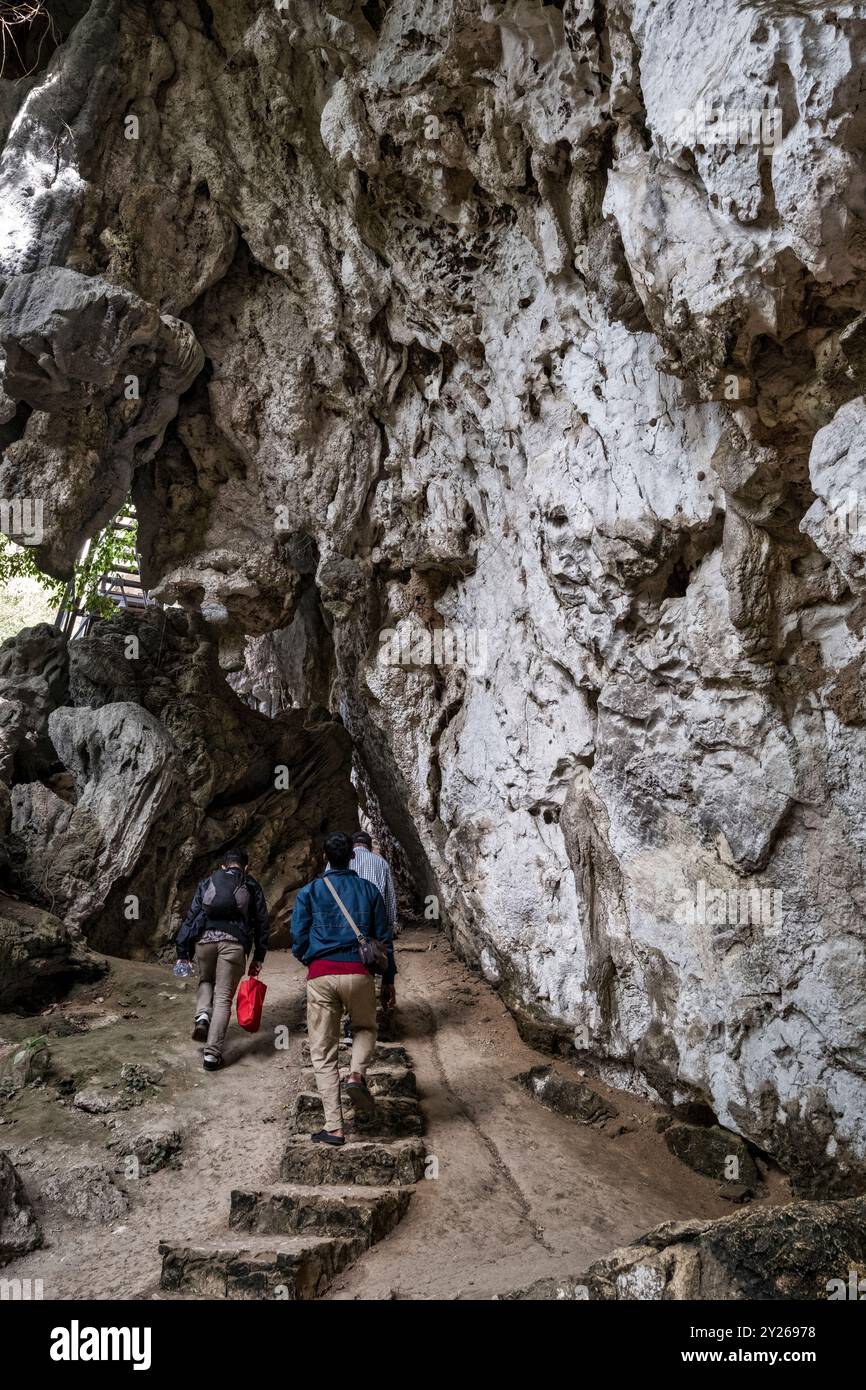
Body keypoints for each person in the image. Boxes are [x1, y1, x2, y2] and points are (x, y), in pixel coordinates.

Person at [291, 831, 396, 1145]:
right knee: (365, 1027)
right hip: (359, 973)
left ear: (325, 857)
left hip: (321, 976)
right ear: (352, 856)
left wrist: (312, 959)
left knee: (323, 1052)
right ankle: (356, 1074)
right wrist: (388, 979)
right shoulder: (369, 890)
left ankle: (334, 1128)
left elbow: (298, 937)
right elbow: (384, 939)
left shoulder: (310, 891)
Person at [175, 847, 269, 1072]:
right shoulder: (251, 884)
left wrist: (182, 950)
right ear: (246, 868)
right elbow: (262, 923)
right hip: (234, 944)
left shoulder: (208, 882)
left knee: (206, 980)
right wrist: (259, 955)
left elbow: (193, 915)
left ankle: (202, 1016)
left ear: (223, 866)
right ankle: (212, 1055)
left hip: (205, 941)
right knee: (224, 997)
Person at [351, 830, 399, 1011]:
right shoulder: (381, 862)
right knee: (380, 956)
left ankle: (352, 1007)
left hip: (348, 920)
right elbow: (389, 897)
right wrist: (391, 923)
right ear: (370, 847)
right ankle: (386, 988)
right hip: (374, 918)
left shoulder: (340, 861)